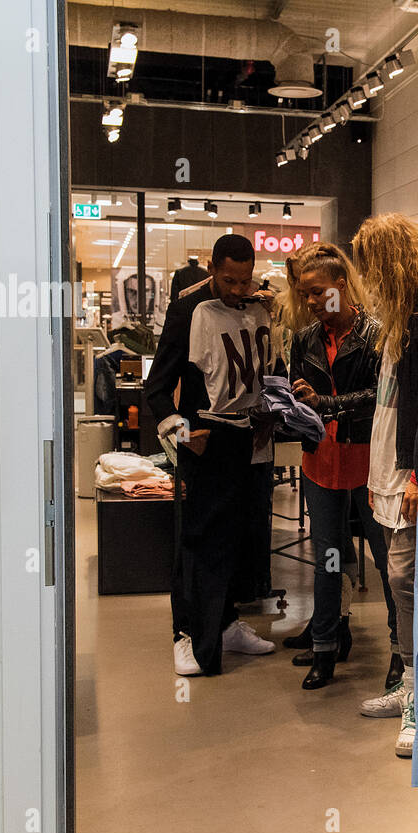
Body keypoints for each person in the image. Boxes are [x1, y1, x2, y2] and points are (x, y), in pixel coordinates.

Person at [145, 233, 280, 676]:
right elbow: (157, 388)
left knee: (243, 537)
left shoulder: (259, 302)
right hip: (204, 437)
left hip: (250, 438)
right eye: (230, 280)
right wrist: (183, 433)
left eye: (246, 280)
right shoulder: (187, 309)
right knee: (198, 542)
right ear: (211, 267)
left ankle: (225, 624)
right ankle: (184, 634)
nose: (239, 289)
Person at [351, 214, 418, 757]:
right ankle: (410, 685)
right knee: (399, 584)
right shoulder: (397, 323)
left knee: (406, 579)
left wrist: (414, 474)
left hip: (412, 473)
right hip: (389, 471)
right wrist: (379, 475)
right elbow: (389, 406)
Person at [288, 242, 398, 690]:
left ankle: (400, 653)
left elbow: (381, 396)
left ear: (341, 285)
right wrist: (290, 403)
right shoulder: (304, 338)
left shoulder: (376, 333)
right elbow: (304, 397)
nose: (311, 302)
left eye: (317, 292)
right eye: (305, 294)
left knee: (389, 565)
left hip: (369, 465)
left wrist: (327, 404)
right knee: (327, 562)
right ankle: (325, 649)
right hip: (321, 463)